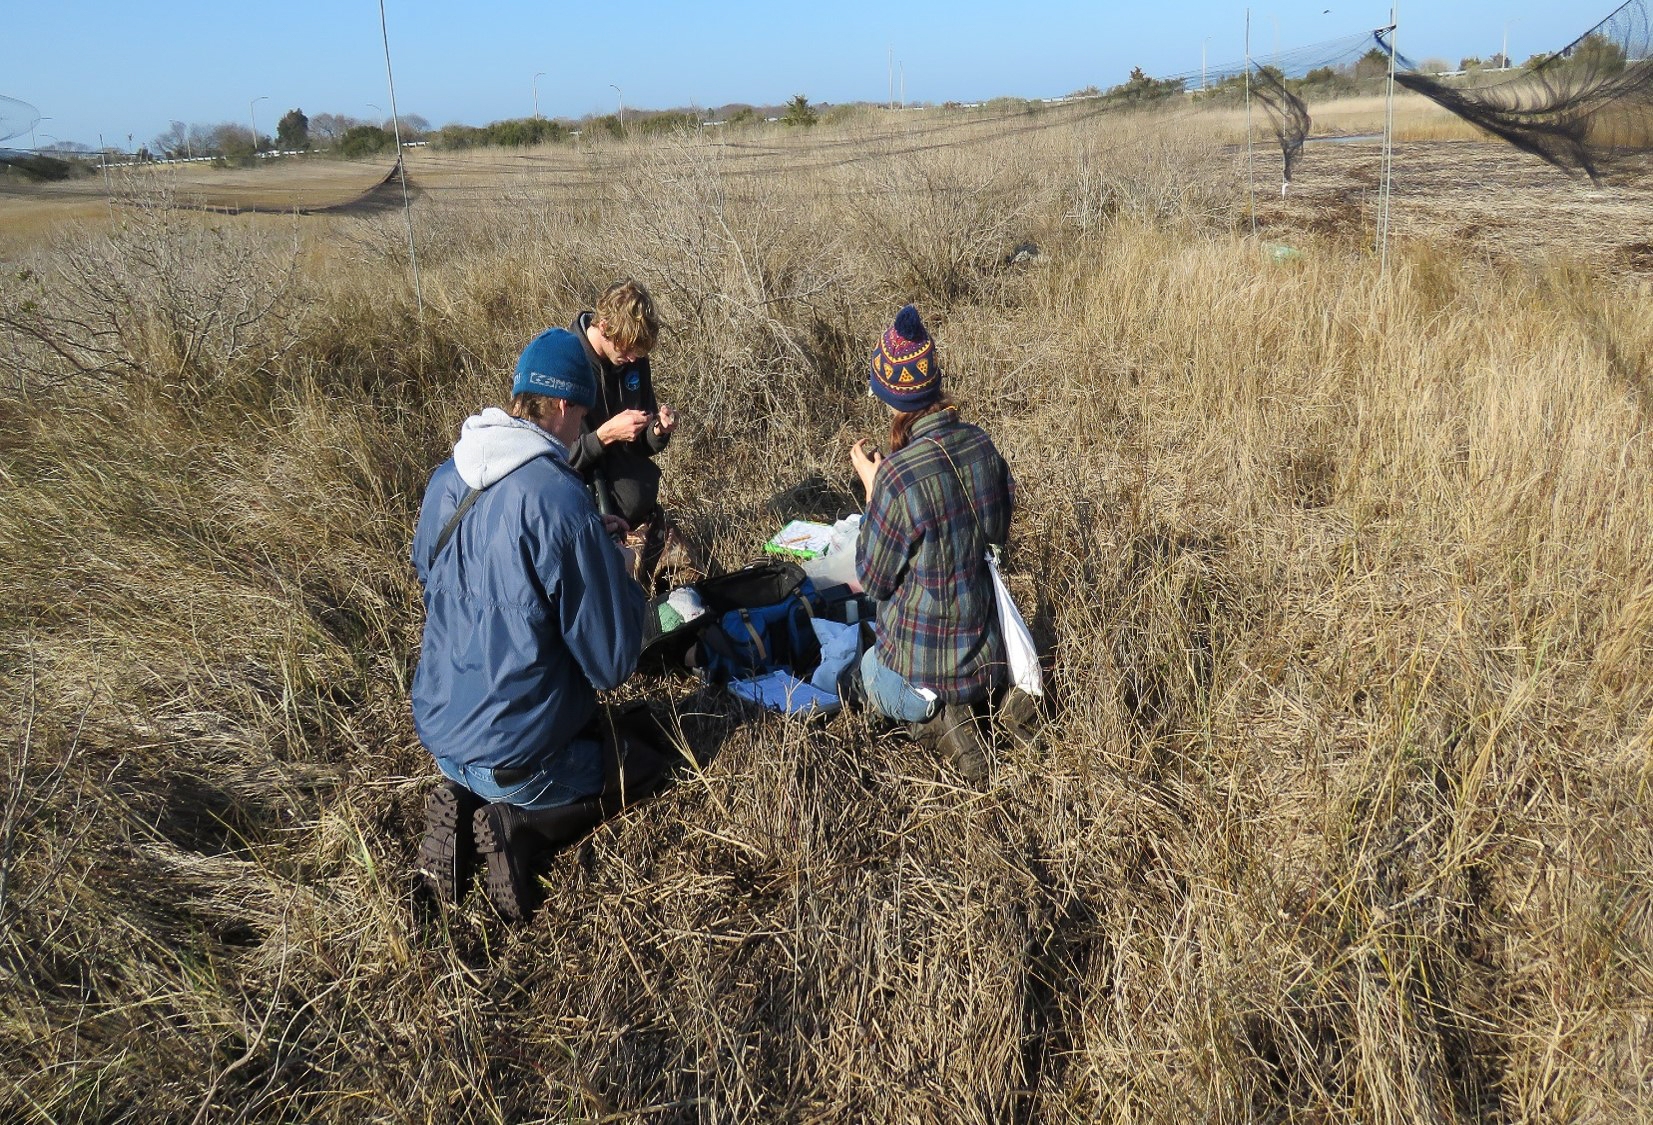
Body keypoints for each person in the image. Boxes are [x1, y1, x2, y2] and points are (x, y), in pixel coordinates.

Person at [410, 326, 667, 921]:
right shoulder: (559, 498)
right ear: (561, 405)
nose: (583, 428)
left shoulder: (447, 478)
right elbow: (611, 664)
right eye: (582, 414)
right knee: (645, 762)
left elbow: (438, 581)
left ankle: (460, 792)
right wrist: (621, 571)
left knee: (505, 736)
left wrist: (585, 550)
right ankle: (518, 826)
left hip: (443, 730)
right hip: (521, 755)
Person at [848, 304, 1025, 783]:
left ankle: (940, 719)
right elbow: (999, 536)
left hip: (926, 663)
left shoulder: (896, 480)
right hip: (991, 654)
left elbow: (874, 581)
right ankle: (990, 704)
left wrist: (873, 490)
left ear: (893, 396)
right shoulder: (983, 445)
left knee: (868, 671)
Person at [566, 280, 695, 587]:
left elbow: (642, 443)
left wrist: (658, 430)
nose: (634, 359)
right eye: (628, 350)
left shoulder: (634, 360)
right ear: (605, 326)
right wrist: (604, 436)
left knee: (692, 595)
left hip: (644, 517)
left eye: (640, 353)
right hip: (595, 523)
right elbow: (556, 463)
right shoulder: (568, 364)